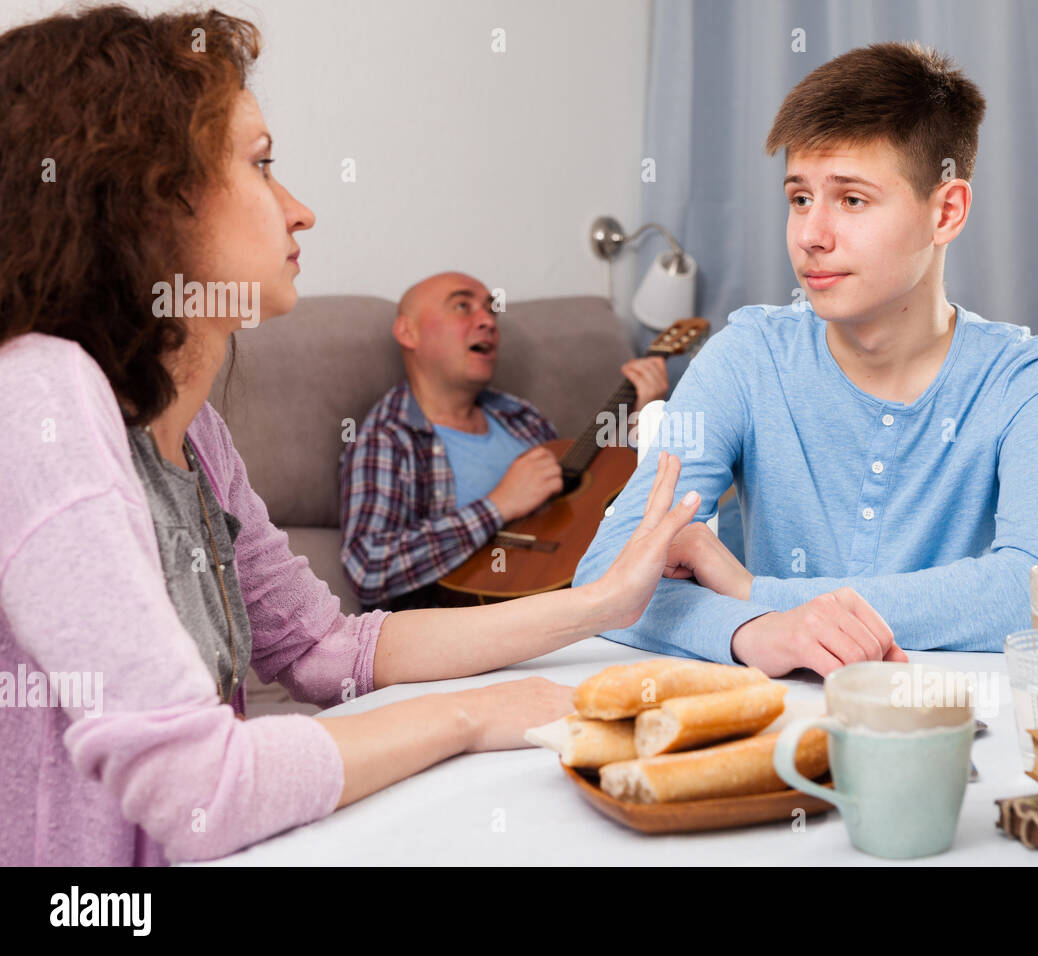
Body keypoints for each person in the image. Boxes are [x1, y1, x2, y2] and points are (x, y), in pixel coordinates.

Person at [0, 5, 700, 866]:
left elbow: (326, 648)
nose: (301, 212)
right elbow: (199, 789)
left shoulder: (199, 437)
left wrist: (600, 603)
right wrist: (472, 715)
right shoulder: (35, 393)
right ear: (146, 199)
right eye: (262, 167)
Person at [573, 42, 1038, 676]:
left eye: (851, 200)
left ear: (947, 211)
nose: (809, 236)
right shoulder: (749, 356)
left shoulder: (1027, 381)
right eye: (800, 198)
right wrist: (753, 632)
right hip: (770, 714)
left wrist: (756, 595)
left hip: (943, 726)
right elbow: (607, 576)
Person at [338, 272, 668, 610]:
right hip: (472, 626)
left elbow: (586, 508)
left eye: (491, 311)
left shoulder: (521, 416)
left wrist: (643, 419)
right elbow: (368, 569)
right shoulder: (387, 438)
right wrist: (498, 505)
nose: (488, 321)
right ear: (408, 332)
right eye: (463, 306)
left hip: (583, 592)